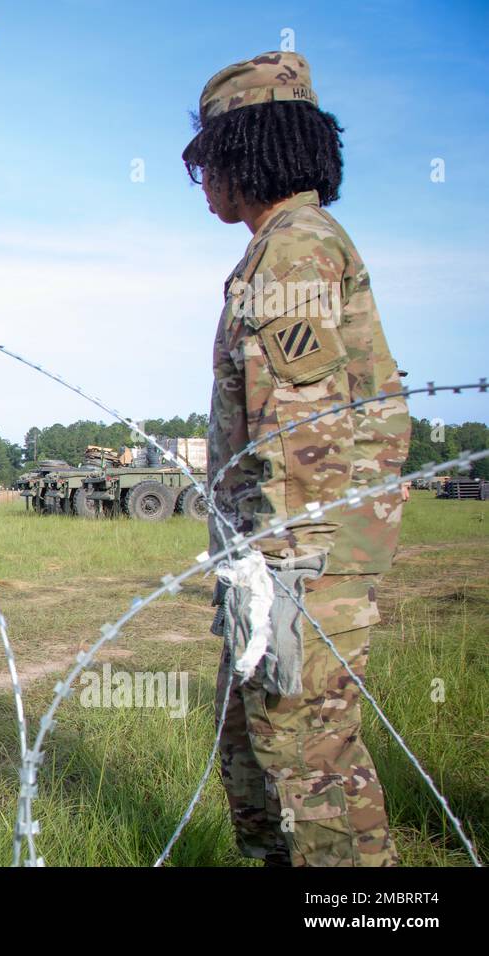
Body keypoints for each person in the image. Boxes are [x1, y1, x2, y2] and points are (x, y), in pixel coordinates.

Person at [185, 52, 411, 866]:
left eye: (206, 157)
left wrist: (281, 575)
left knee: (308, 772)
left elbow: (305, 434)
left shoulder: (294, 249)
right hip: (280, 560)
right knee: (258, 763)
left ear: (247, 149)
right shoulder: (285, 245)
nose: (203, 180)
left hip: (299, 563)